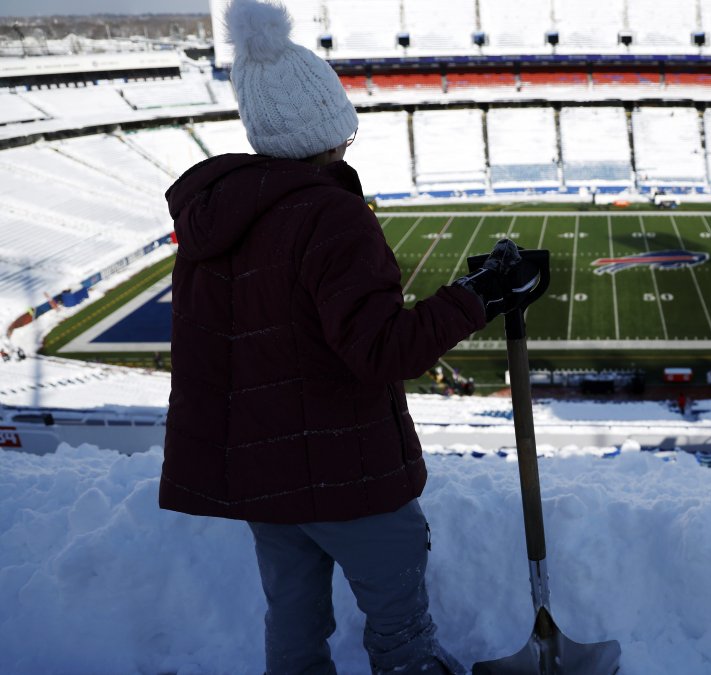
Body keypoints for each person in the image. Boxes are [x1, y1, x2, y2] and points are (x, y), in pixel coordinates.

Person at [158, 1, 532, 673]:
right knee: (401, 635)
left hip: (264, 485)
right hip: (349, 476)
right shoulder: (331, 217)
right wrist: (477, 297)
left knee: (294, 636)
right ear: (326, 127)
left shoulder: (215, 221)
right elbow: (383, 350)